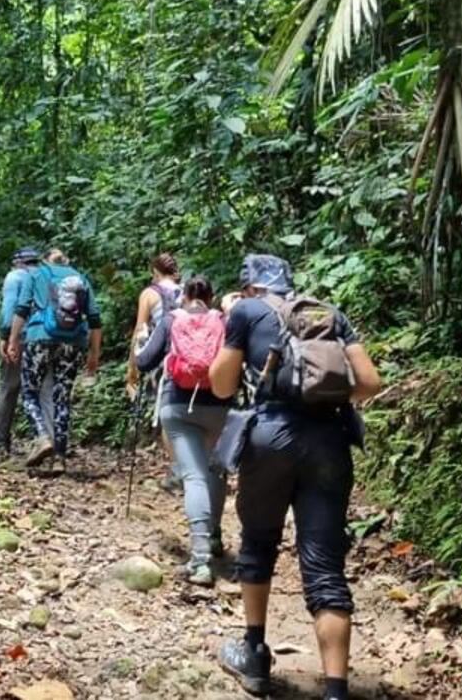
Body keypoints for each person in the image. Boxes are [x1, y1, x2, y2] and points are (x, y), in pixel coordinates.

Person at [208, 254, 382, 700]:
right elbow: (367, 383)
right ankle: (337, 690)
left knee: (259, 540)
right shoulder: (329, 314)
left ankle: (255, 653)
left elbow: (222, 385)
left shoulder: (246, 312)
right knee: (324, 565)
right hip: (329, 442)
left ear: (249, 287)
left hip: (269, 438)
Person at [134, 276, 232, 585]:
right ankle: (214, 535)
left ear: (183, 297)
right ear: (211, 296)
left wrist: (140, 340)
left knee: (193, 477)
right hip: (218, 403)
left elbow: (145, 362)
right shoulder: (223, 321)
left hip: (177, 406)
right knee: (215, 470)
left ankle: (200, 559)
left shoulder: (172, 319)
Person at [5, 248, 103, 469]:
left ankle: (42, 437)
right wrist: (94, 353)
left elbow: (21, 309)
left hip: (40, 336)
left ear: (47, 260)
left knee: (30, 391)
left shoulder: (37, 274)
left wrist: (13, 339)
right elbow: (95, 319)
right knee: (62, 397)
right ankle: (59, 457)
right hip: (73, 342)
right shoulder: (81, 278)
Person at [125, 252, 185, 490]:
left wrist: (133, 368)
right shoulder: (187, 291)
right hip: (190, 358)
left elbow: (140, 331)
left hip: (162, 360)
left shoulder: (150, 293)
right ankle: (190, 467)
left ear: (154, 272)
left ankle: (178, 471)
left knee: (166, 416)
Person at [0, 247, 52, 457]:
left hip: (22, 336)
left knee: (9, 388)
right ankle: (47, 439)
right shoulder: (47, 276)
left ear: (18, 262)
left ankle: (0, 444)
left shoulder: (15, 277)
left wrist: (6, 337)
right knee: (44, 390)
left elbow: (10, 310)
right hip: (47, 338)